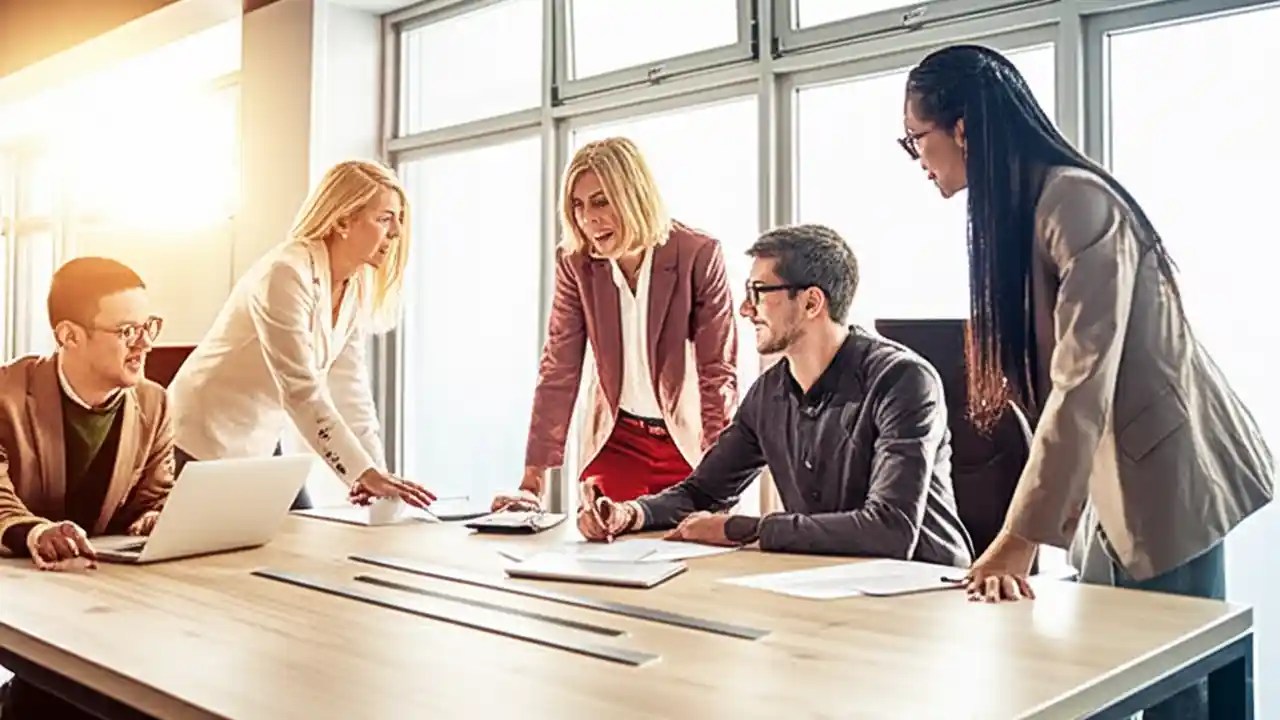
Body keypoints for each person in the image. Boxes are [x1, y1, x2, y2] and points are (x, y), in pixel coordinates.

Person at [901, 43, 1273, 716]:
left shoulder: (1075, 201)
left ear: (961, 129)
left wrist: (1019, 539)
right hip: (1112, 478)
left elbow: (1082, 379)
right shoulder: (1023, 206)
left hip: (1165, 476)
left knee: (1174, 690)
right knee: (1122, 677)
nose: (918, 161)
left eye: (915, 140)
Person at [577, 224, 974, 568]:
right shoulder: (769, 394)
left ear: (811, 302)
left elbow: (890, 530)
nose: (746, 309)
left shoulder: (903, 381)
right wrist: (630, 514)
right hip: (827, 586)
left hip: (924, 593)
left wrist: (743, 530)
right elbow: (703, 492)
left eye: (759, 292)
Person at [168, 160, 435, 511]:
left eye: (398, 219)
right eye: (385, 218)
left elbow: (350, 390)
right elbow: (301, 390)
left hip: (260, 441)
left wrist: (376, 475)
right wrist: (361, 471)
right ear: (342, 220)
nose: (397, 232)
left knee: (295, 538)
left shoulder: (352, 286)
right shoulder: (285, 273)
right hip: (199, 437)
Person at [492, 137, 738, 511]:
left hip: (687, 445)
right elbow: (559, 365)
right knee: (603, 548)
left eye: (601, 201)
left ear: (633, 195)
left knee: (688, 558)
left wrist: (718, 474)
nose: (588, 219)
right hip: (617, 441)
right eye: (577, 205)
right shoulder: (575, 262)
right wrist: (532, 483)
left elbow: (717, 372)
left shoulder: (697, 255)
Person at [0, 257, 174, 719]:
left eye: (149, 326)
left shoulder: (154, 403)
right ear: (68, 335)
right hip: (20, 592)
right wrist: (36, 532)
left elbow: (155, 495)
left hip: (101, 600)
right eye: (127, 332)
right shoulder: (6, 395)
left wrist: (154, 518)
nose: (145, 344)